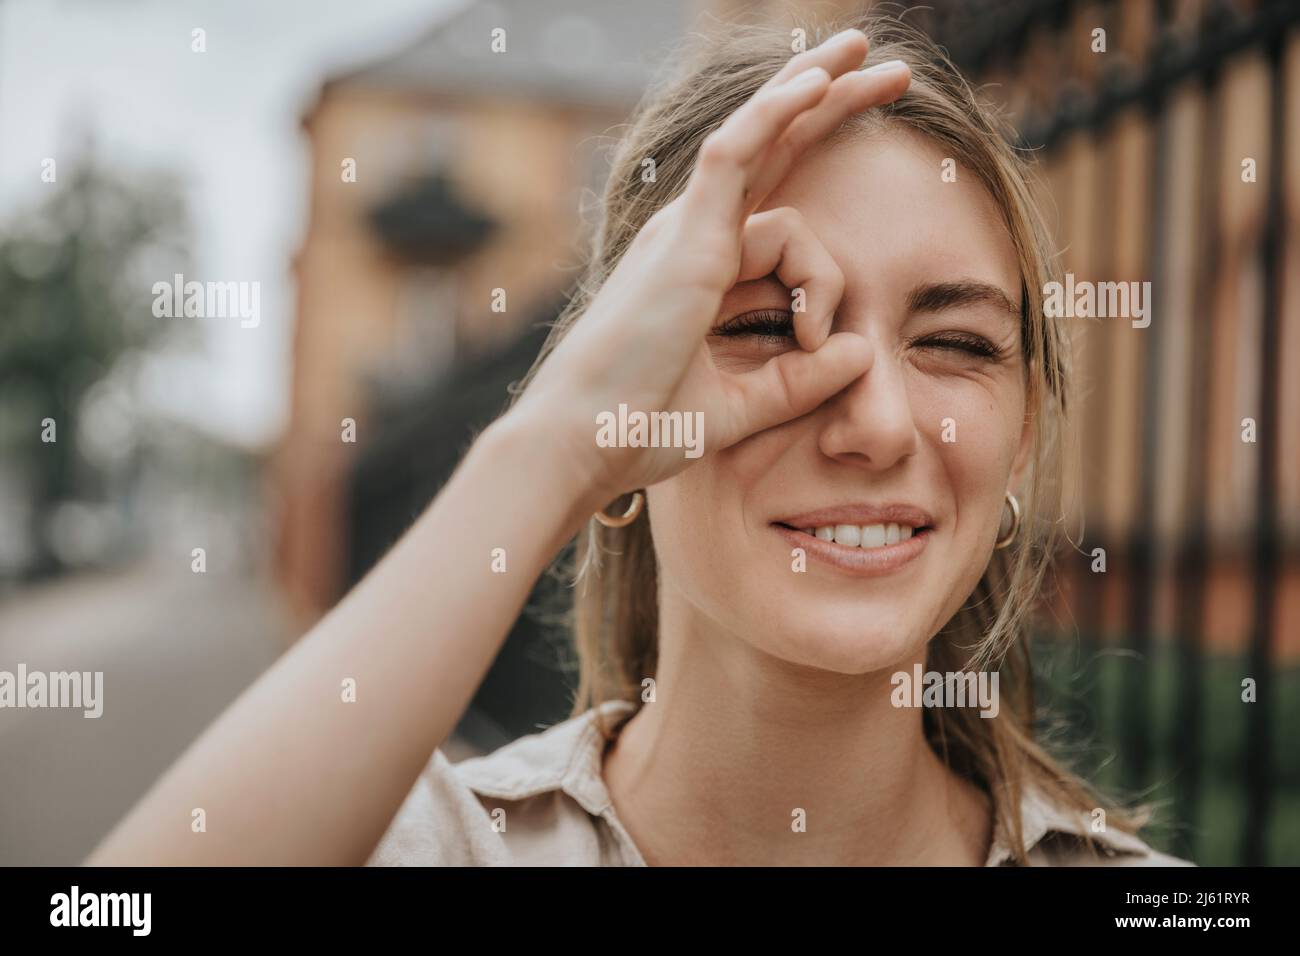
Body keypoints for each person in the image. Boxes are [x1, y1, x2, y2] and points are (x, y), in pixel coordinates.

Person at [89, 19, 1189, 867]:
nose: (879, 423)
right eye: (766, 324)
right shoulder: (436, 844)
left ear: (1023, 431)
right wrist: (549, 453)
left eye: (955, 342)